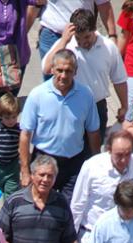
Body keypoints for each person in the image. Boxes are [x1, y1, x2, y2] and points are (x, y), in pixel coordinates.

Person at [17, 51, 100, 202]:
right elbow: (25, 134)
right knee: (40, 204)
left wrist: (96, 164)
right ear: (52, 69)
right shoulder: (37, 95)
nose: (63, 75)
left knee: (69, 209)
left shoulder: (86, 95)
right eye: (60, 70)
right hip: (43, 160)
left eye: (68, 71)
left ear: (75, 71)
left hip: (73, 163)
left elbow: (93, 131)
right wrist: (24, 170)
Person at [42, 7, 127, 139]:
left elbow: (119, 79)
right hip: (72, 106)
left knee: (94, 153)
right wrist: (64, 40)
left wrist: (124, 106)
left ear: (94, 30)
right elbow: (47, 68)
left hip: (97, 106)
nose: (83, 42)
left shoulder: (108, 47)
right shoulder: (66, 45)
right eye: (78, 38)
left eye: (87, 36)